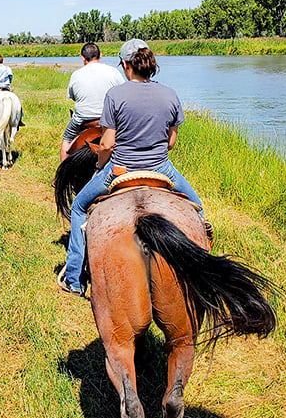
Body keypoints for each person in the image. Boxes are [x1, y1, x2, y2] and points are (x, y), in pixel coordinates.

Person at [59, 39, 203, 296]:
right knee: (198, 208)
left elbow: (107, 144)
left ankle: (74, 280)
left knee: (79, 207)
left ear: (126, 65)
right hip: (162, 168)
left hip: (121, 169)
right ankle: (201, 261)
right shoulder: (170, 94)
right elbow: (170, 143)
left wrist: (101, 165)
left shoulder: (115, 95)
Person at [60, 42, 124, 161]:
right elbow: (122, 94)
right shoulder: (113, 72)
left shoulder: (76, 75)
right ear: (100, 55)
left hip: (82, 120)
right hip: (109, 120)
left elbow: (72, 96)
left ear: (83, 58)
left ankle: (61, 174)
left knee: (67, 140)